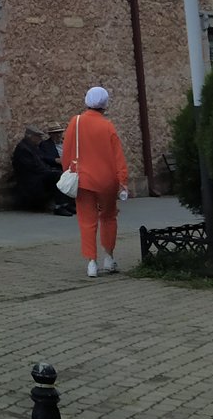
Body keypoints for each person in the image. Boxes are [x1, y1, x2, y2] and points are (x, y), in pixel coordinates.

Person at [63, 86, 130, 278]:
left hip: (83, 179)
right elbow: (118, 156)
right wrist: (123, 180)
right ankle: (109, 258)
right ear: (105, 104)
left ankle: (91, 262)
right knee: (108, 217)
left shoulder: (75, 122)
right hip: (107, 181)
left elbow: (67, 152)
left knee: (86, 220)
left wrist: (68, 172)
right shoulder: (108, 126)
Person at [11, 125, 71, 215]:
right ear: (30, 136)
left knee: (61, 174)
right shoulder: (23, 149)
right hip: (32, 179)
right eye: (38, 136)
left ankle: (66, 204)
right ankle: (59, 206)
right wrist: (49, 171)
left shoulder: (33, 147)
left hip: (38, 175)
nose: (40, 138)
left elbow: (41, 162)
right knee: (57, 176)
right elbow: (33, 167)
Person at [39, 127, 75, 215]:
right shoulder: (45, 145)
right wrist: (55, 160)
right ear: (51, 135)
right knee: (61, 176)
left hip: (70, 165)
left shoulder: (66, 142)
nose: (58, 135)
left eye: (60, 133)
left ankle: (71, 203)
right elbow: (43, 157)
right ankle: (61, 205)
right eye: (56, 133)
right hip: (56, 167)